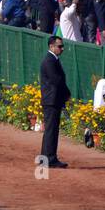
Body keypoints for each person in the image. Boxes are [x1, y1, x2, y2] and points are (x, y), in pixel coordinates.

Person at [38, 35, 70, 168]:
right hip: (52, 100)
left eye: (62, 46)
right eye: (59, 46)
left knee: (51, 130)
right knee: (51, 130)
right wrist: (66, 93)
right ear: (51, 46)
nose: (62, 49)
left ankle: (47, 158)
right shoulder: (49, 61)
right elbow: (56, 80)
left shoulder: (52, 59)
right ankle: (49, 159)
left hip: (52, 99)